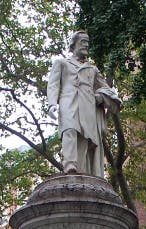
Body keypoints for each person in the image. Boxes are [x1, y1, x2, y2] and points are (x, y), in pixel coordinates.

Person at [47, 31, 121, 178]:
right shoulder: (61, 63)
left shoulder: (92, 69)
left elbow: (106, 88)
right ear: (73, 44)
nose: (86, 45)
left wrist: (100, 97)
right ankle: (70, 166)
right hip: (67, 101)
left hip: (88, 106)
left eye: (87, 42)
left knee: (84, 138)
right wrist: (51, 104)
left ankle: (80, 171)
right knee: (69, 129)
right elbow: (53, 85)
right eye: (83, 41)